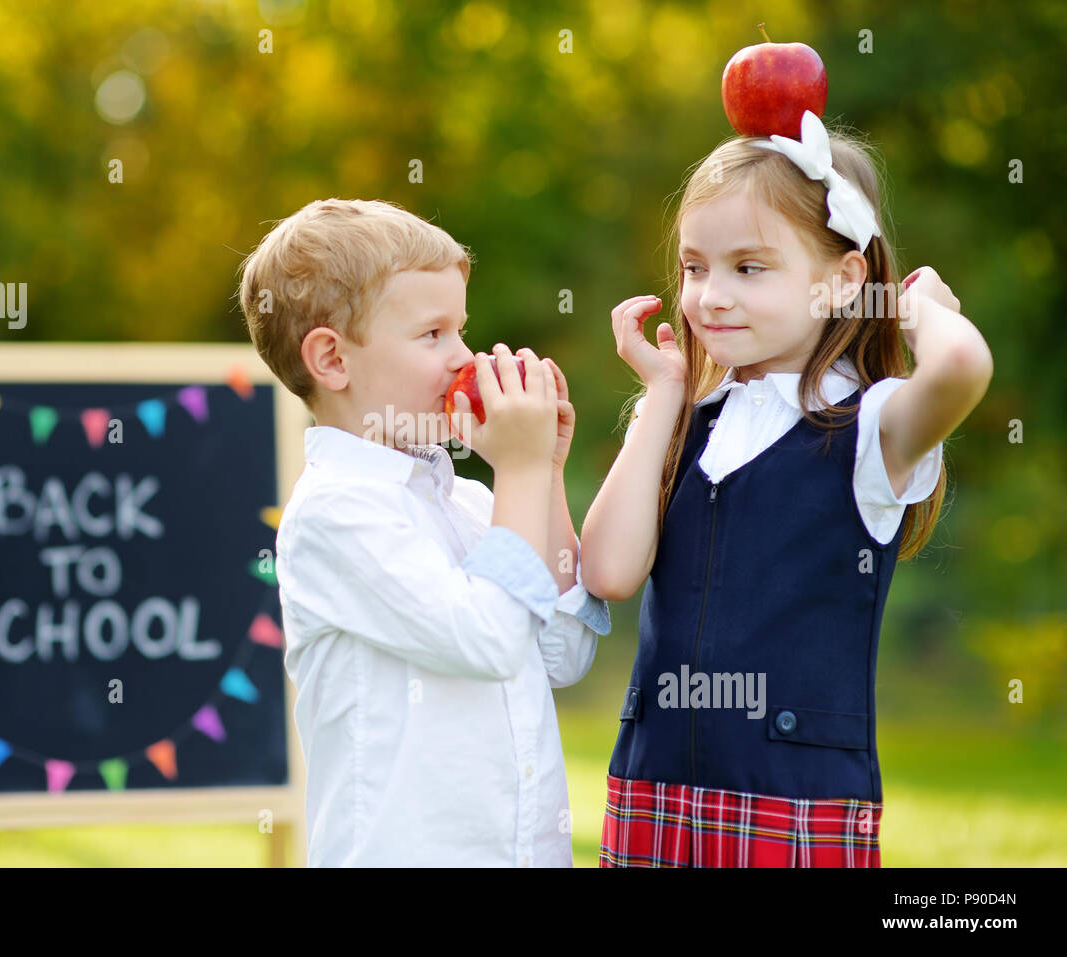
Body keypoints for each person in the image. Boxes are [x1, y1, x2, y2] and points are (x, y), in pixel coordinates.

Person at [580, 111, 994, 867]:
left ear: (840, 282)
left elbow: (961, 369)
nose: (710, 296)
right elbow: (606, 571)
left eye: (749, 267)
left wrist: (924, 311)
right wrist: (665, 395)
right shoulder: (681, 417)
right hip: (652, 787)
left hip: (795, 802)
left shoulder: (869, 425)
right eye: (694, 266)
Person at [238, 198, 610, 866]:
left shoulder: (468, 501)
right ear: (332, 359)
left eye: (461, 330)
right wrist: (520, 471)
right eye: (432, 334)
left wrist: (544, 472)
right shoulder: (336, 514)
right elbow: (487, 637)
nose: (462, 356)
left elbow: (561, 652)